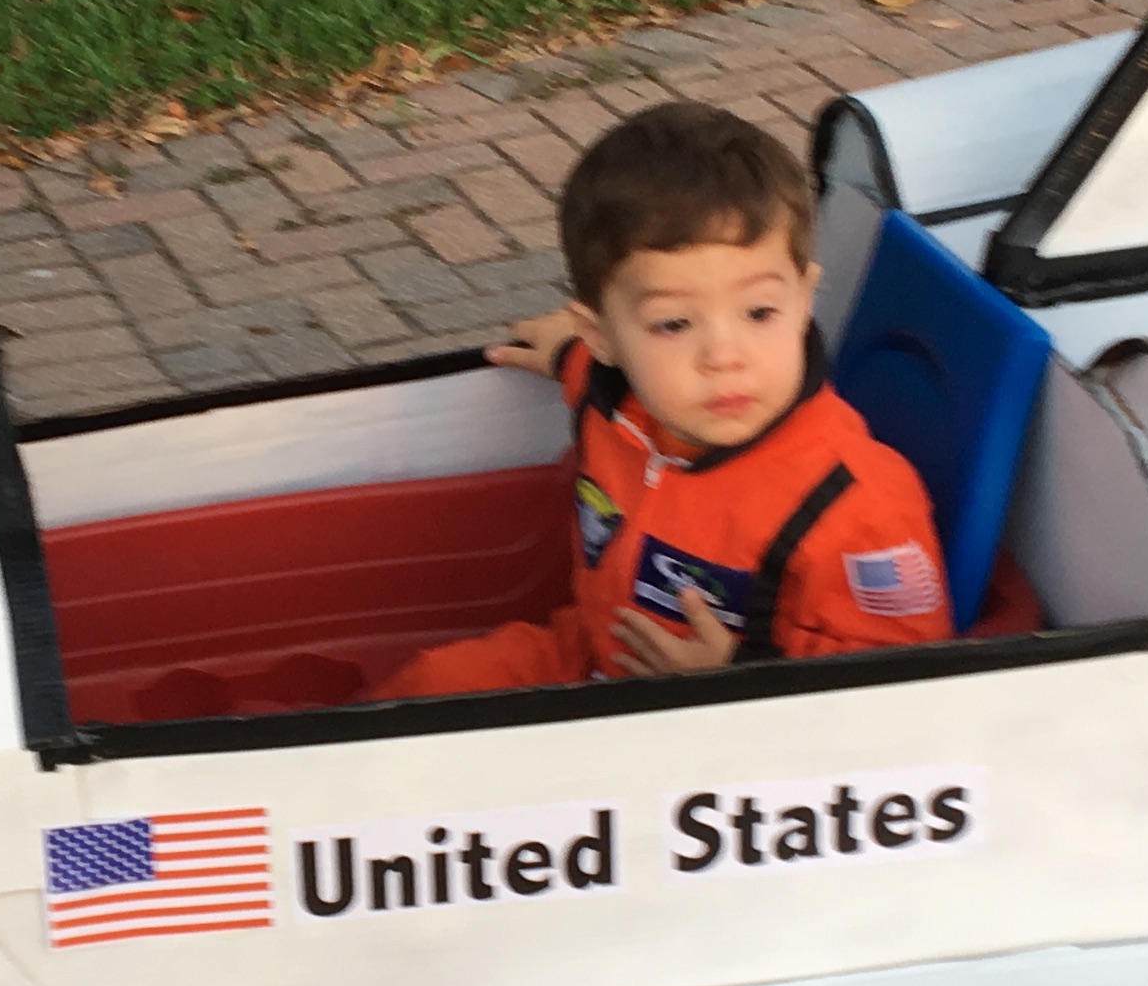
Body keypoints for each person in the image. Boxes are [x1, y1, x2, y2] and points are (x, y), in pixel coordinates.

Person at [384, 106, 958, 700]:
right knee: (432, 685)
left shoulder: (856, 503)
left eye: (759, 313)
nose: (724, 356)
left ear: (805, 298)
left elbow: (901, 683)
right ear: (603, 336)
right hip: (591, 651)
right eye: (674, 324)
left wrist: (736, 672)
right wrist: (559, 351)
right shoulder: (607, 395)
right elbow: (579, 365)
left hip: (732, 722)